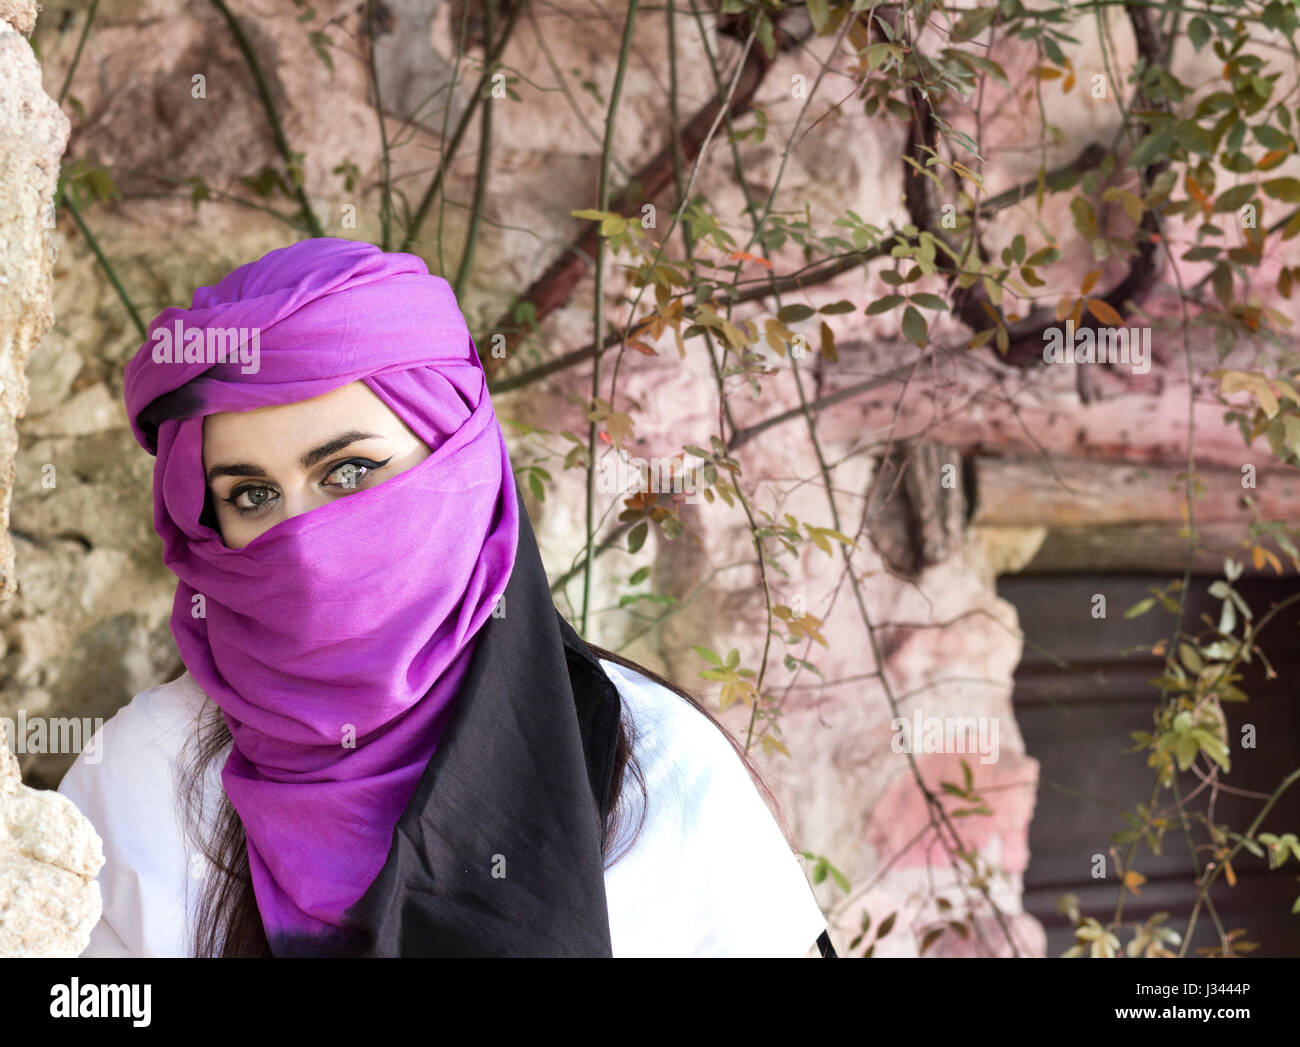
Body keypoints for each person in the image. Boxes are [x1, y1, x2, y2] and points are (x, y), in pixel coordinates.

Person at [55, 237, 834, 958]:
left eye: (350, 472)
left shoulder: (657, 777)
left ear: (463, 463)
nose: (305, 542)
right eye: (253, 494)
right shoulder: (140, 775)